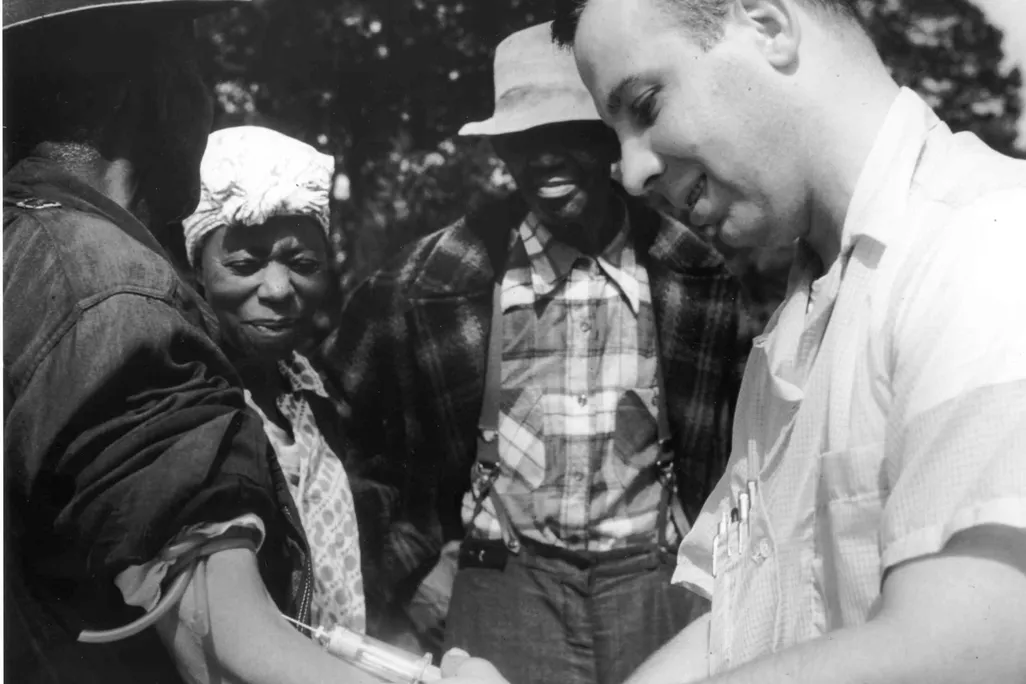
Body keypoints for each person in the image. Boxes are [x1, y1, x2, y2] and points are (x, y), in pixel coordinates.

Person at [538, 1, 1026, 683]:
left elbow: (980, 642)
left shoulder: (989, 242)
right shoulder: (791, 327)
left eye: (646, 104)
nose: (630, 171)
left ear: (768, 25)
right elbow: (733, 631)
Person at [2, 5, 463, 683]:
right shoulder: (116, 293)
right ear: (162, 90)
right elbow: (230, 647)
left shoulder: (23, 249)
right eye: (200, 75)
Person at [321, 21, 750, 684]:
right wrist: (410, 570)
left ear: (608, 138)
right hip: (502, 579)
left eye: (566, 134)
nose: (543, 158)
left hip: (657, 582)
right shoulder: (433, 281)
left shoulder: (696, 273)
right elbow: (340, 432)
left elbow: (746, 446)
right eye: (522, 139)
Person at [177, 125, 366, 635]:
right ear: (196, 269)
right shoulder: (182, 405)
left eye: (303, 263)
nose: (279, 288)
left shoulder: (313, 393)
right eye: (244, 263)